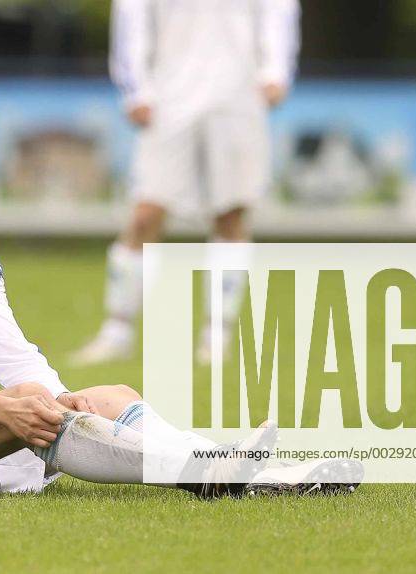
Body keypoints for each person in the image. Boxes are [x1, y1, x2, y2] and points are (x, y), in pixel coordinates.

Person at [0, 86, 359, 498]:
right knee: (38, 416)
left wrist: (59, 398)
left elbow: (13, 355)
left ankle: (256, 475)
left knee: (106, 396)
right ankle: (208, 468)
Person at [72, 0, 302, 365]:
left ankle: (217, 335)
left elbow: (277, 9)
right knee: (146, 214)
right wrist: (136, 88)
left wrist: (277, 71)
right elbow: (132, 15)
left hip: (238, 95)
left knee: (230, 214)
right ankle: (117, 331)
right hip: (171, 95)